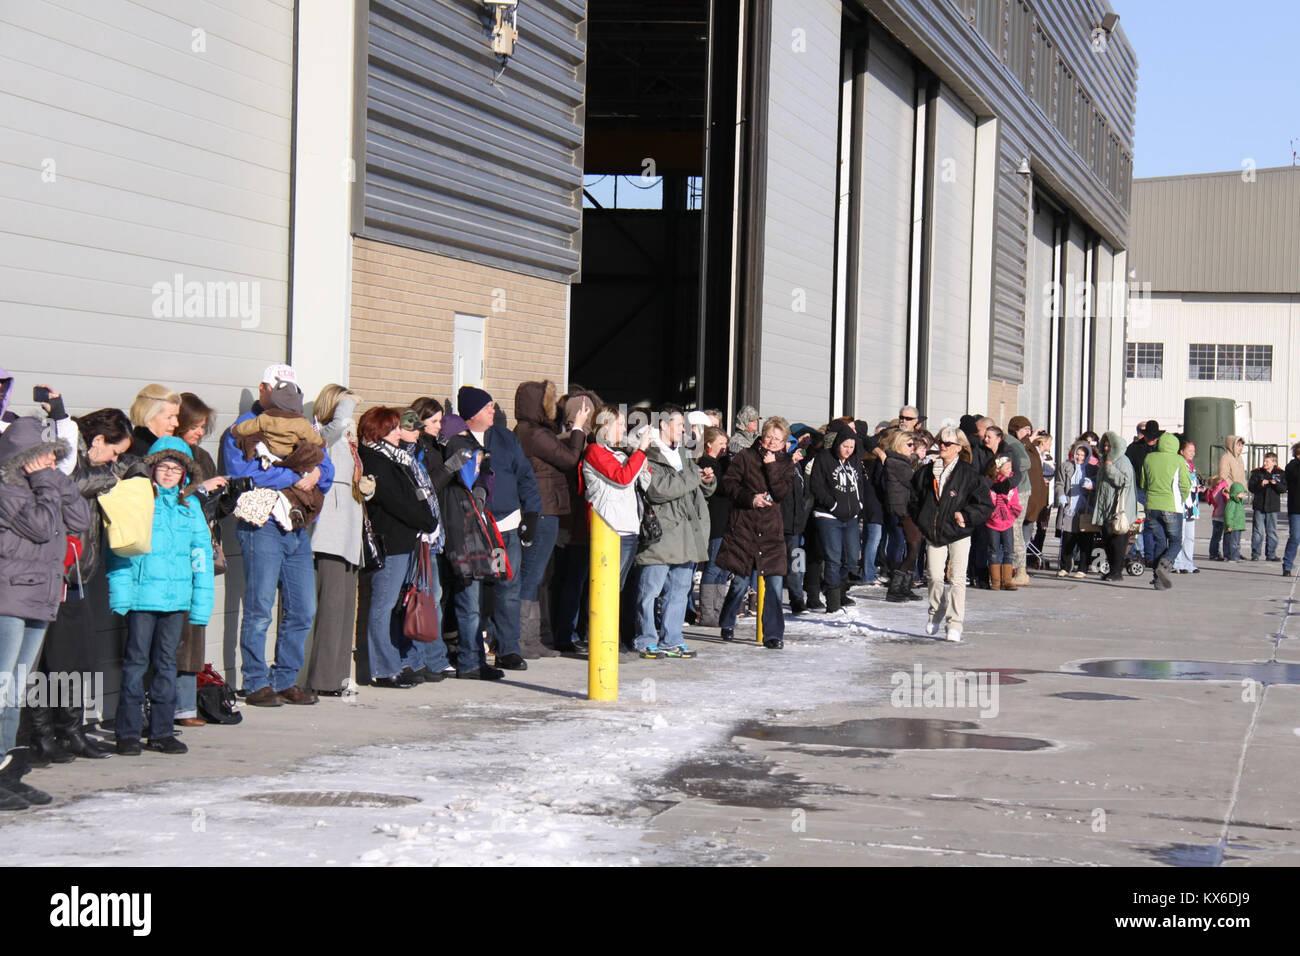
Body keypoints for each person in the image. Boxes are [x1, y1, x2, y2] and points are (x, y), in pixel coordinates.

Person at [18, 407, 131, 765]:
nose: (117, 459)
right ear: (98, 441)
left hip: (80, 575)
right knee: (43, 663)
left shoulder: (96, 466)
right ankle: (41, 734)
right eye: (115, 452)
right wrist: (115, 477)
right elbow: (72, 486)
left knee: (76, 661)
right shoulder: (69, 462)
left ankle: (72, 729)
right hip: (54, 576)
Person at [221, 364, 334, 707]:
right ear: (263, 389)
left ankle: (285, 679)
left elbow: (325, 469)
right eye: (279, 388)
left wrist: (313, 474)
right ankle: (255, 682)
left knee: (302, 609)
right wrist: (293, 477)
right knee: (259, 609)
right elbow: (242, 473)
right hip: (262, 525)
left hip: (297, 526)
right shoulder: (242, 430)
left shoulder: (304, 425)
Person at [0, 417, 92, 808]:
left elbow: (81, 520)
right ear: (22, 458)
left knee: (16, 687)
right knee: (2, 685)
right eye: (40, 457)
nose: (48, 464)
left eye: (52, 457)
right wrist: (45, 483)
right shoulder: (7, 490)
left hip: (40, 596)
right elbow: (39, 528)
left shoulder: (46, 484)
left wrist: (54, 480)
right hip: (9, 598)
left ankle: (9, 771)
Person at [108, 437, 214, 756]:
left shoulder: (190, 506)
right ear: (151, 469)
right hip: (141, 598)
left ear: (185, 473)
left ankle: (162, 731)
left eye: (176, 468)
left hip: (175, 599)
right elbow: (120, 551)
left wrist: (200, 604)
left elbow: (201, 555)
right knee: (135, 664)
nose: (169, 473)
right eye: (163, 467)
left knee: (166, 664)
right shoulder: (138, 501)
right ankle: (127, 733)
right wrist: (121, 595)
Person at [447, 386, 541, 674]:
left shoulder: (504, 438)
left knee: (506, 587)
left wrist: (531, 513)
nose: (494, 411)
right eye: (488, 407)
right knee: (472, 593)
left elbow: (525, 475)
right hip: (475, 532)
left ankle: (508, 648)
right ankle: (470, 653)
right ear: (474, 413)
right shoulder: (457, 442)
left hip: (503, 530)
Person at [357, 407, 443, 688]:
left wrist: (425, 519)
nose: (398, 433)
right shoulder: (375, 460)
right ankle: (383, 669)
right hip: (390, 542)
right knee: (382, 606)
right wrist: (426, 519)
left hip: (405, 541)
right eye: (392, 428)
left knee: (395, 605)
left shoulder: (393, 458)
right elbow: (397, 501)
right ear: (377, 431)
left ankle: (396, 662)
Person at [633, 404, 716, 658]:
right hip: (661, 535)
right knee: (650, 591)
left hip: (687, 534)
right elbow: (659, 490)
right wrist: (692, 479)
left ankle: (672, 638)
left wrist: (707, 481)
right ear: (664, 424)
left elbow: (695, 489)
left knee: (680, 591)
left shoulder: (684, 454)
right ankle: (645, 639)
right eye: (680, 425)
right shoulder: (647, 453)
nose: (684, 430)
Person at [513, 381, 588, 659]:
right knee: (532, 575)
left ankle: (532, 638)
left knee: (537, 575)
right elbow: (569, 459)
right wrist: (578, 428)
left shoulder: (531, 433)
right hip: (543, 509)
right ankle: (524, 639)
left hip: (546, 508)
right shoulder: (532, 433)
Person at [306, 385, 370, 695]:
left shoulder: (347, 441)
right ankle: (323, 679)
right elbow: (331, 432)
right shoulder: (321, 435)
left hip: (349, 530)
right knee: (330, 607)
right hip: (330, 534)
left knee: (345, 608)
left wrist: (366, 486)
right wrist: (345, 405)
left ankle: (341, 676)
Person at [172, 393, 227, 727]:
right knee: (177, 632)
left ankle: (187, 704)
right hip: (176, 550)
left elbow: (215, 506)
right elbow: (170, 498)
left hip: (202, 548)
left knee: (197, 624)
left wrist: (227, 495)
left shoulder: (202, 455)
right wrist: (201, 489)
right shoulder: (167, 456)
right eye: (195, 426)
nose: (200, 432)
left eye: (203, 426)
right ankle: (177, 706)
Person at [716, 417, 794, 647]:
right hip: (745, 528)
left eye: (777, 439)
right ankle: (728, 621)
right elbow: (729, 484)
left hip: (771, 532)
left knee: (775, 585)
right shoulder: (745, 457)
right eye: (768, 436)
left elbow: (781, 493)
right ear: (762, 435)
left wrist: (771, 466)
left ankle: (773, 634)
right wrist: (751, 499)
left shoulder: (786, 463)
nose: (771, 442)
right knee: (740, 582)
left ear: (784, 443)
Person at [909, 427, 993, 643]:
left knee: (957, 578)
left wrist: (965, 515)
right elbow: (914, 498)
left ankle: (955, 622)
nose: (943, 447)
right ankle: (936, 610)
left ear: (959, 448)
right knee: (934, 575)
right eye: (941, 443)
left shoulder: (969, 474)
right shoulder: (927, 471)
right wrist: (922, 520)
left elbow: (985, 504)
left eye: (948, 444)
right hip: (935, 532)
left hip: (959, 532)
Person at [580, 405, 652, 651]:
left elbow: (640, 481)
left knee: (618, 588)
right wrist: (640, 451)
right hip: (608, 528)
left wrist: (641, 461)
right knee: (604, 587)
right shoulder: (594, 451)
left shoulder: (621, 453)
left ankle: (611, 636)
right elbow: (621, 478)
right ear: (604, 426)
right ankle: (596, 638)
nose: (624, 429)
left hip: (629, 526)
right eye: (619, 424)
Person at [230, 380, 327, 529]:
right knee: (309, 484)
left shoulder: (265, 418)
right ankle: (298, 507)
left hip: (271, 458)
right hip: (293, 460)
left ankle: (295, 508)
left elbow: (247, 428)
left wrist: (235, 430)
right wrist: (322, 444)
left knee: (294, 483)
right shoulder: (301, 423)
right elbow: (314, 440)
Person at [809, 423, 862, 613]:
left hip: (850, 516)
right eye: (845, 446)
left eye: (851, 447)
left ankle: (837, 587)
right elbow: (816, 485)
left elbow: (860, 484)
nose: (848, 450)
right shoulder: (823, 458)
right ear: (838, 444)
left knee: (851, 558)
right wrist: (832, 504)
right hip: (828, 516)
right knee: (833, 558)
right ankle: (833, 600)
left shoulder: (854, 460)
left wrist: (859, 504)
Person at [696, 427, 745, 628]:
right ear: (709, 444)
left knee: (724, 568)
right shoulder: (708, 463)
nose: (724, 448)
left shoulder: (721, 463)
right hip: (716, 521)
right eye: (721, 443)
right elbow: (723, 488)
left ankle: (718, 610)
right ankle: (708, 612)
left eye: (726, 443)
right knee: (714, 567)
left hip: (727, 520)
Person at [1139, 432, 1191, 589]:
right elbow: (1185, 484)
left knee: (1160, 541)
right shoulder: (1179, 460)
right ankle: (1165, 564)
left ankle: (1158, 580)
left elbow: (1143, 482)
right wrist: (1182, 498)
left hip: (1152, 506)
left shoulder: (1149, 458)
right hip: (1172, 506)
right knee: (1175, 541)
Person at [880, 429, 924, 604]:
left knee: (915, 546)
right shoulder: (895, 462)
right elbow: (913, 482)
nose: (912, 448)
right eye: (909, 445)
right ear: (899, 444)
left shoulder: (903, 462)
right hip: (903, 510)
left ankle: (905, 587)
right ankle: (895, 588)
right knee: (913, 547)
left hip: (908, 509)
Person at [1093, 432, 1137, 582]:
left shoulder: (1122, 461)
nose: (1106, 448)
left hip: (1118, 508)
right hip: (1106, 506)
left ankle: (1117, 571)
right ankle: (1112, 570)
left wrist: (1110, 468)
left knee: (1118, 540)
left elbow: (1125, 481)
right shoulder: (1105, 460)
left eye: (1109, 446)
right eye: (1104, 445)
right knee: (1107, 540)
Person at [1055, 441, 1097, 578]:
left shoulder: (1093, 469)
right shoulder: (1066, 466)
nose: (1079, 458)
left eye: (1083, 455)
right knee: (1067, 538)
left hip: (1085, 509)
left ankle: (1083, 568)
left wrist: (1093, 485)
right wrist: (1061, 495)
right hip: (1070, 507)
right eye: (1077, 454)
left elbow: (1100, 486)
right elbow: (1059, 483)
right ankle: (1065, 566)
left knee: (1085, 540)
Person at [1004, 416, 1036, 586]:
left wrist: (1008, 468)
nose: (1028, 433)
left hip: (1020, 490)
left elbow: (1025, 463)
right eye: (1025, 429)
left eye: (1029, 429)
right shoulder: (1014, 442)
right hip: (1019, 488)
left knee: (1015, 528)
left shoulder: (1013, 443)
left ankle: (1020, 570)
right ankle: (1015, 568)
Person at [984, 456, 1021, 591]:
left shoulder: (1011, 485)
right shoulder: (991, 484)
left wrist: (1011, 511)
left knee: (1009, 550)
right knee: (993, 550)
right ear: (998, 469)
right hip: (992, 521)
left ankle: (1007, 580)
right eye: (1007, 468)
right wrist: (993, 513)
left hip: (1007, 521)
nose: (1009, 470)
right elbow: (988, 502)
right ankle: (995, 580)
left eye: (1010, 467)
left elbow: (1015, 502)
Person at [125, 384, 181, 461]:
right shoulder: (137, 455)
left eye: (176, 416)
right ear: (149, 417)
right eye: (169, 417)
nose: (176, 423)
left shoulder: (166, 446)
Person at [1173, 440, 1203, 574]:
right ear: (1181, 451)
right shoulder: (1179, 464)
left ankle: (1188, 562)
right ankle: (1177, 563)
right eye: (1189, 450)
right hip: (1182, 503)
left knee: (1190, 536)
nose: (1192, 453)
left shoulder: (1192, 466)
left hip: (1192, 504)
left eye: (1193, 451)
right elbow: (1180, 483)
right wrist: (1194, 487)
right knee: (1181, 534)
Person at [1248, 452, 1284, 562]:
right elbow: (1251, 487)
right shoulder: (1257, 473)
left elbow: (1283, 488)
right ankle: (1255, 554)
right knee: (1258, 531)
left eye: (1267, 461)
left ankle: (1271, 554)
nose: (1264, 463)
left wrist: (1275, 484)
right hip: (1259, 506)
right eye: (1264, 461)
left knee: (1271, 531)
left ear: (1274, 462)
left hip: (1272, 507)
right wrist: (1261, 484)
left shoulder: (1280, 473)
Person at [1283, 443, 1300, 577]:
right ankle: (1287, 564)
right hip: (1296, 508)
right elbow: (1294, 476)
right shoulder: (1292, 466)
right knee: (1295, 537)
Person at [1223, 478, 1248, 561]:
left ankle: (1232, 555)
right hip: (1233, 526)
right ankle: (1233, 556)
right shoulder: (1232, 503)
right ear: (1235, 493)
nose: (1243, 495)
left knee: (1236, 542)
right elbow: (1228, 515)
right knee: (1233, 542)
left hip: (1238, 525)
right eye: (1241, 493)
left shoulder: (1239, 502)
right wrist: (1229, 525)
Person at [1207, 476, 1229, 562]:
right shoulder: (1221, 491)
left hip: (1215, 516)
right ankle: (1214, 553)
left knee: (1215, 537)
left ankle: (1214, 553)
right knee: (1217, 537)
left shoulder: (1213, 491)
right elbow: (1226, 500)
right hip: (1221, 515)